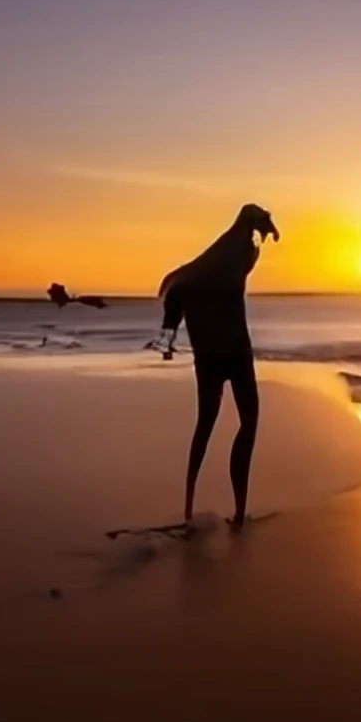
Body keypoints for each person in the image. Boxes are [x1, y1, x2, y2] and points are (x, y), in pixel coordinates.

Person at [157, 204, 279, 531]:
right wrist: (264, 230)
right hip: (236, 355)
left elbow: (174, 301)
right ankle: (238, 514)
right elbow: (252, 252)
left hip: (209, 358)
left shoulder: (198, 273)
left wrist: (166, 342)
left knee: (205, 426)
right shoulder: (238, 260)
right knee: (247, 423)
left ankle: (188, 507)